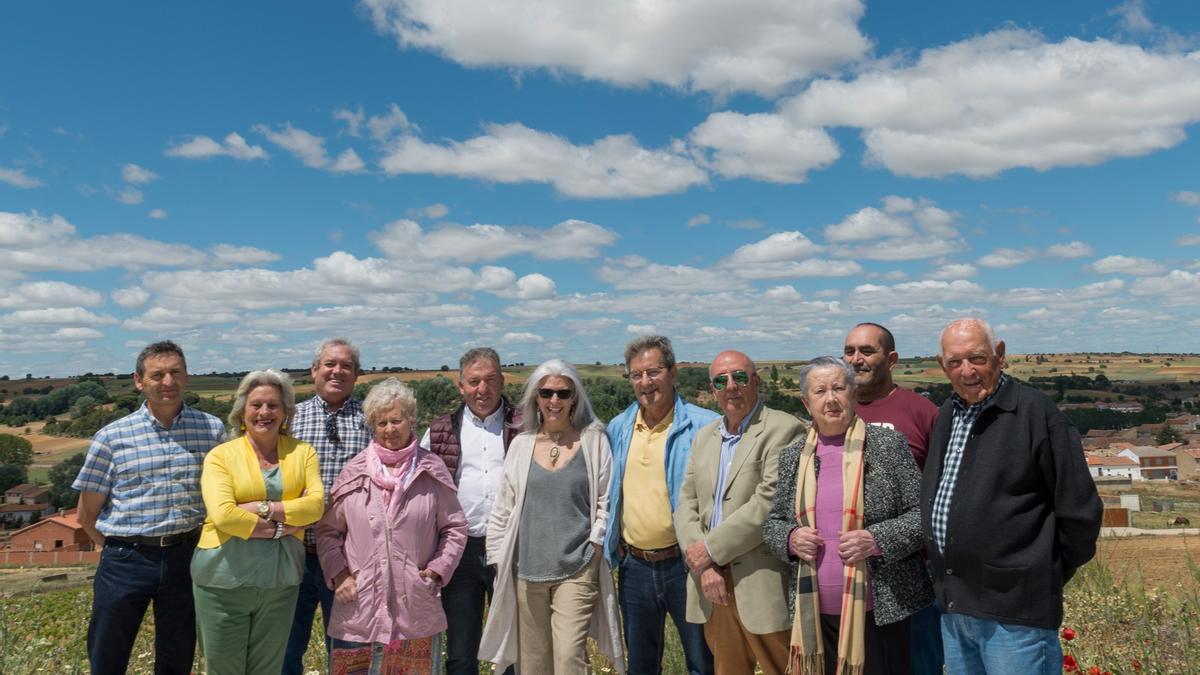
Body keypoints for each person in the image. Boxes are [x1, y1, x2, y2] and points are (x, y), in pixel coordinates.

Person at [922, 318, 1102, 674]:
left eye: (977, 358)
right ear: (943, 365)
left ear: (1000, 355)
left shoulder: (1035, 413)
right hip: (955, 609)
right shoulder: (947, 415)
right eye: (955, 362)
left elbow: (1080, 512)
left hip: (1016, 616)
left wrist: (1040, 575)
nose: (967, 371)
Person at [762, 357, 932, 675]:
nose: (831, 399)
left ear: (853, 395)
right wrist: (790, 538)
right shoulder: (793, 457)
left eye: (839, 388)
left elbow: (923, 516)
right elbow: (773, 523)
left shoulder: (888, 446)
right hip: (815, 615)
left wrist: (876, 540)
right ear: (806, 402)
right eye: (820, 391)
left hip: (880, 611)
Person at [73, 341, 226, 675]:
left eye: (175, 372)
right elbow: (86, 515)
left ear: (186, 376)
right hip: (126, 559)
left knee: (177, 655)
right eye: (157, 375)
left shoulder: (212, 430)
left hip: (187, 556)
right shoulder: (111, 438)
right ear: (139, 381)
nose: (168, 381)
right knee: (108, 655)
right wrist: (119, 549)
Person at [479, 358, 625, 674]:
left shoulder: (593, 441)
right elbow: (504, 507)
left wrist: (596, 544)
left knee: (570, 658)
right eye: (546, 393)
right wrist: (498, 559)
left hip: (577, 568)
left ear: (575, 398)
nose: (554, 400)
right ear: (536, 397)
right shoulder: (521, 445)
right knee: (533, 664)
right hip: (526, 572)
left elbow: (606, 500)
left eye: (563, 393)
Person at [317, 378, 468, 674]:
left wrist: (436, 571)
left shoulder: (431, 470)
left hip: (414, 607)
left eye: (396, 420)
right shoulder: (354, 472)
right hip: (359, 608)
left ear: (411, 420)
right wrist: (340, 575)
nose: (389, 429)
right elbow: (328, 532)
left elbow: (455, 528)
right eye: (382, 422)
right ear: (372, 426)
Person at [675, 350, 806, 675]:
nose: (731, 386)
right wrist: (704, 564)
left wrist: (709, 550)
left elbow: (768, 503)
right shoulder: (704, 437)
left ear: (756, 381)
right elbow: (686, 503)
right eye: (721, 381)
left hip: (760, 581)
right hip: (711, 583)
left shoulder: (785, 429)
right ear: (713, 390)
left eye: (740, 377)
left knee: (786, 669)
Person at [191, 369, 325, 674]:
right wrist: (285, 522)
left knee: (268, 669)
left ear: (285, 413)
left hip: (281, 581)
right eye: (256, 405)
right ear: (242, 412)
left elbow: (316, 506)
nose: (265, 412)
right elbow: (223, 515)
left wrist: (260, 508)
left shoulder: (303, 453)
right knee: (224, 670)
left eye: (273, 405)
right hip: (222, 581)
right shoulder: (220, 456)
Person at [605, 335, 718, 675]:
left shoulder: (705, 425)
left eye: (653, 372)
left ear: (673, 372)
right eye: (636, 374)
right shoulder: (619, 427)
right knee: (641, 666)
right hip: (635, 566)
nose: (645, 382)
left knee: (702, 663)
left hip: (688, 565)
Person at [843, 322, 942, 674]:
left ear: (892, 359)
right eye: (850, 351)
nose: (856, 359)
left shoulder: (923, 412)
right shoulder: (833, 412)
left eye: (867, 351)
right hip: (846, 575)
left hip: (911, 577)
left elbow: (941, 493)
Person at [420, 347, 521, 675]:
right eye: (474, 381)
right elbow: (418, 491)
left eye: (490, 380)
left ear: (502, 381)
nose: (483, 389)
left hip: (512, 549)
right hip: (459, 552)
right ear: (461, 386)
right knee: (461, 651)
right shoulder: (438, 432)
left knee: (513, 650)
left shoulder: (526, 426)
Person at [284, 337, 372, 675]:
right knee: (285, 649)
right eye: (330, 364)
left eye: (346, 366)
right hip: (293, 552)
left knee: (349, 653)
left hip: (350, 560)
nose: (337, 371)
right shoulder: (290, 418)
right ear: (314, 370)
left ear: (357, 374)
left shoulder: (371, 419)